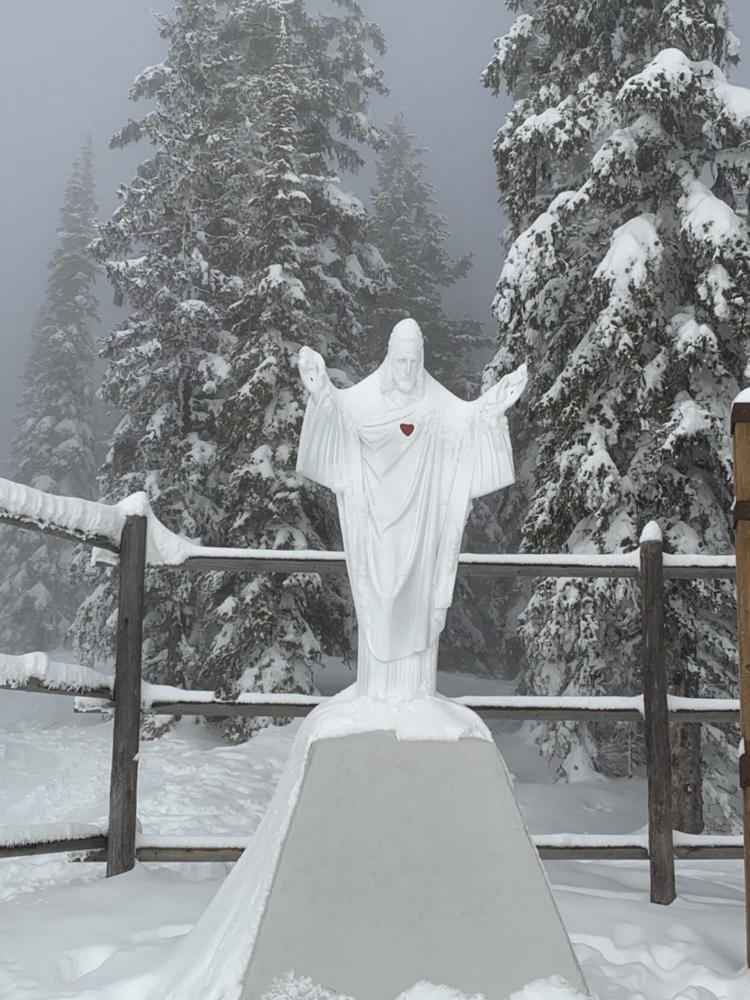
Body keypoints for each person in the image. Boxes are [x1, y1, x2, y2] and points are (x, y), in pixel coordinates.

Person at [297, 317, 526, 695]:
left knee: (417, 611)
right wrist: (320, 390)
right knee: (379, 604)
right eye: (401, 361)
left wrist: (495, 406)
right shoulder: (365, 402)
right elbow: (338, 413)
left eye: (413, 362)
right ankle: (377, 694)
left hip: (421, 532)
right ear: (390, 357)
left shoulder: (436, 405)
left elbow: (468, 423)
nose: (406, 370)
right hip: (375, 529)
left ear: (421, 361)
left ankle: (415, 696)